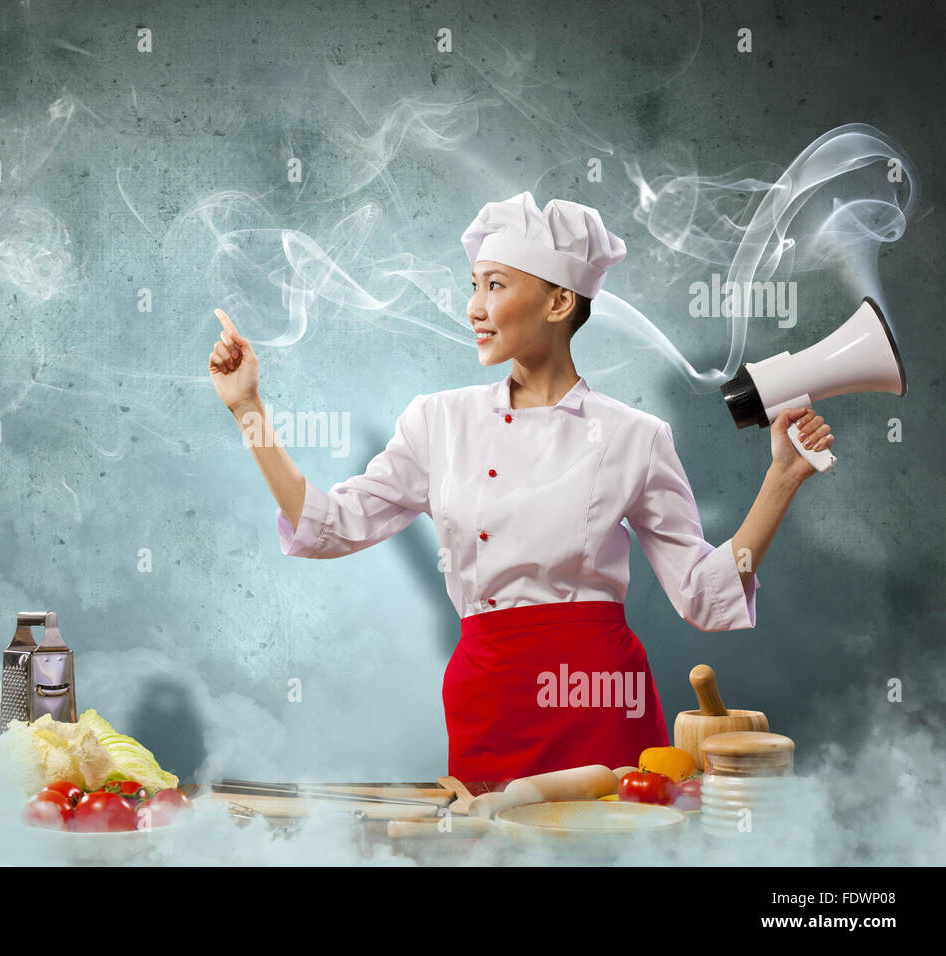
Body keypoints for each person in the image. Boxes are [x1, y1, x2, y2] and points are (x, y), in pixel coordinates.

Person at [207, 192, 834, 788]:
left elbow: (701, 595)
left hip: (600, 698)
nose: (474, 308)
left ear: (559, 303)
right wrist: (249, 410)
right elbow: (330, 524)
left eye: (495, 286)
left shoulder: (635, 437)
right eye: (473, 287)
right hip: (489, 698)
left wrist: (780, 478)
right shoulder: (438, 421)